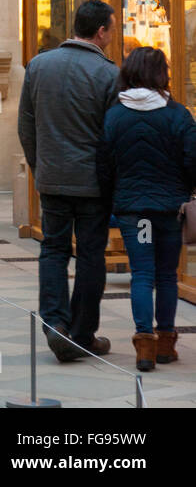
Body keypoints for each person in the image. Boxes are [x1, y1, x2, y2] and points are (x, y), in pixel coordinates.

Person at [18, 0, 119, 362]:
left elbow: (26, 126)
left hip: (54, 178)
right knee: (91, 256)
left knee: (54, 250)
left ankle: (56, 325)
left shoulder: (39, 65)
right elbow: (113, 135)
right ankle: (81, 333)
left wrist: (39, 166)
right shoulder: (109, 74)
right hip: (92, 184)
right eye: (112, 28)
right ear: (101, 31)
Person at [97, 47, 196, 372]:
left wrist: (112, 197)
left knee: (141, 273)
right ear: (161, 74)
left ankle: (144, 346)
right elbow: (192, 160)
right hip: (169, 207)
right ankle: (166, 342)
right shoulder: (178, 114)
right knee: (167, 274)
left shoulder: (114, 115)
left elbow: (105, 165)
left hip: (131, 207)